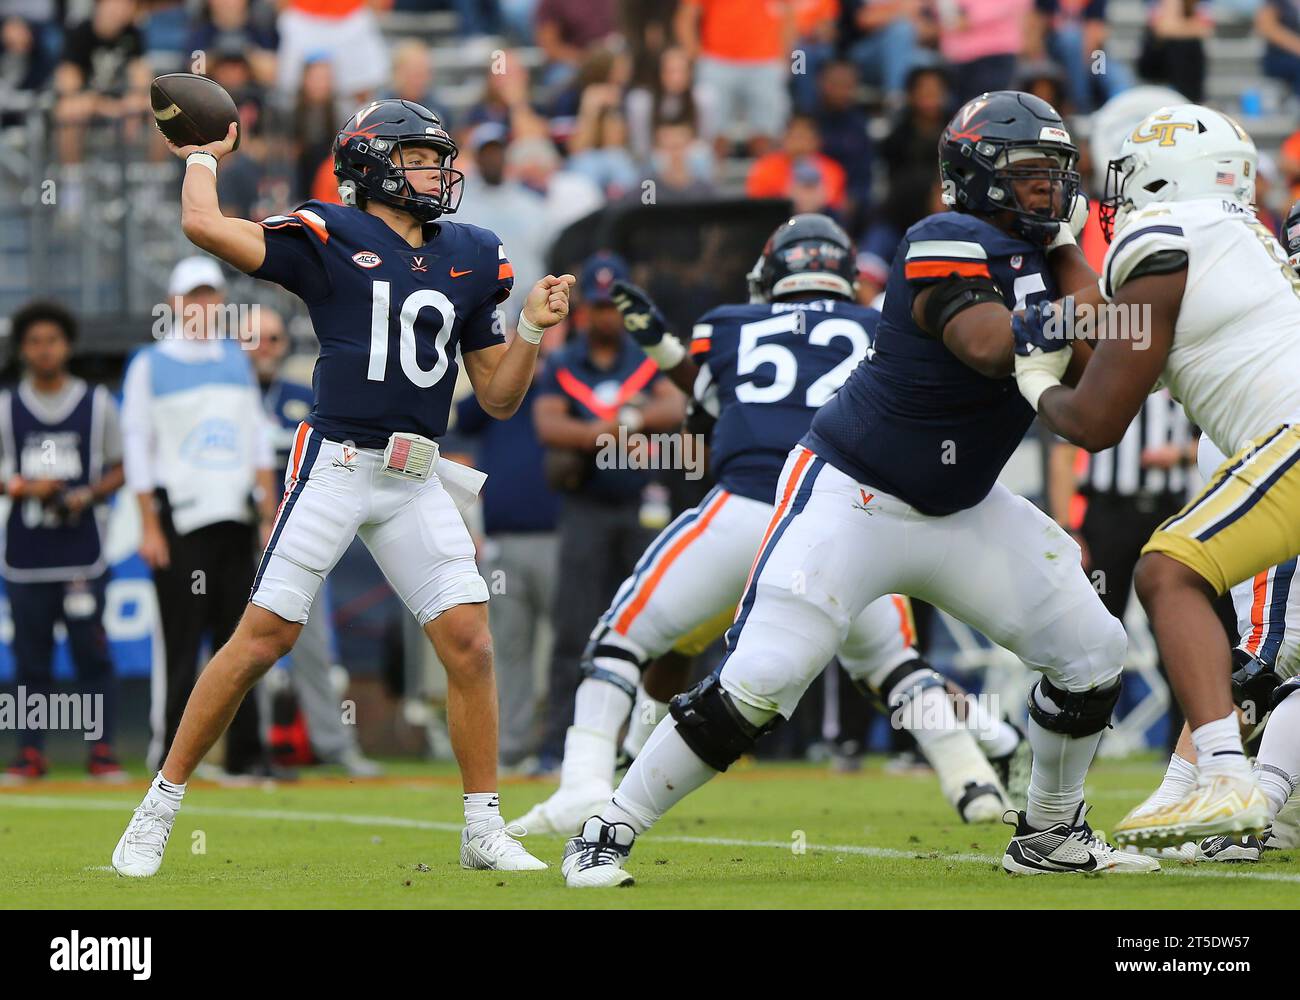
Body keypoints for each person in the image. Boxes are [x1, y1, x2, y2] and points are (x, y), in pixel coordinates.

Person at [561, 91, 1159, 887]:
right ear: (977, 177)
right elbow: (986, 344)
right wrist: (1097, 302)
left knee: (1093, 651)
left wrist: (1096, 289)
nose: (1050, 190)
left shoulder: (1045, 262)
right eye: (1029, 174)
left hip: (963, 505)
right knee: (763, 679)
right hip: (854, 494)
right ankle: (609, 825)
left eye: (1056, 173)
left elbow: (1091, 412)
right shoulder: (941, 238)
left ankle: (1049, 832)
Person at [111, 98, 574, 876]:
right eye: (420, 157)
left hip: (416, 474)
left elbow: (496, 398)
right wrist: (200, 157)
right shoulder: (330, 232)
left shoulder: (471, 253)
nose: (436, 171)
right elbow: (206, 227)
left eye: (437, 157)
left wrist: (527, 329)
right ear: (371, 164)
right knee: (265, 639)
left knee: (470, 644)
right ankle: (158, 805)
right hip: (337, 463)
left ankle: (482, 828)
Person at [514, 215, 1026, 838]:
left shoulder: (729, 325)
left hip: (748, 505)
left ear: (774, 273)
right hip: (845, 515)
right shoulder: (881, 328)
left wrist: (664, 349)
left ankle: (583, 787)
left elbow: (705, 410)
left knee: (619, 641)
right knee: (894, 664)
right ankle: (973, 780)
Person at [1012, 105, 1300, 848]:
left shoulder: (1163, 233)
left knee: (1169, 571)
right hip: (1280, 443)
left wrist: (1033, 381)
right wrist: (1065, 245)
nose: (1119, 195)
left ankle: (1228, 778)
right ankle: (1231, 787)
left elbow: (1098, 419)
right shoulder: (1230, 236)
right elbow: (1117, 339)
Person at [122, 257, 279, 780]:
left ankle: (247, 755)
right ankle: (169, 757)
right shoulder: (149, 364)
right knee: (182, 643)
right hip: (180, 522)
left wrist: (266, 507)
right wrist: (148, 525)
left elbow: (256, 437)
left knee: (243, 640)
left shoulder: (235, 360)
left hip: (234, 519)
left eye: (210, 296)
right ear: (174, 304)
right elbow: (137, 448)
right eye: (193, 297)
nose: (203, 307)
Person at [530, 252, 685, 772]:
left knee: (655, 624)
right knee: (574, 629)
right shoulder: (564, 361)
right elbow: (549, 427)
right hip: (585, 508)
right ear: (584, 311)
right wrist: (613, 432)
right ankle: (558, 746)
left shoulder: (644, 356)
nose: (606, 317)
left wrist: (626, 419)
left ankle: (651, 748)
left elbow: (675, 407)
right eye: (597, 307)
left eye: (613, 307)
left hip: (642, 507)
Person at [242, 307, 381, 777]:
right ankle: (249, 747)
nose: (266, 348)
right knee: (243, 646)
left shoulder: (308, 396)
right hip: (238, 535)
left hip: (301, 533)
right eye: (256, 338)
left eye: (275, 339)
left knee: (311, 645)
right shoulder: (228, 396)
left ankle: (333, 743)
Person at [0, 302, 125, 782]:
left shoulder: (95, 403)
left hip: (82, 556)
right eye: (34, 341)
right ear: (23, 349)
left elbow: (120, 466)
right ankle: (30, 752)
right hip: (26, 555)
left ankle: (104, 751)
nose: (44, 349)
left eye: (52, 340)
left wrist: (87, 494)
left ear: (67, 345)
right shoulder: (9, 406)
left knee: (92, 654)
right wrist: (25, 486)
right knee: (31, 661)